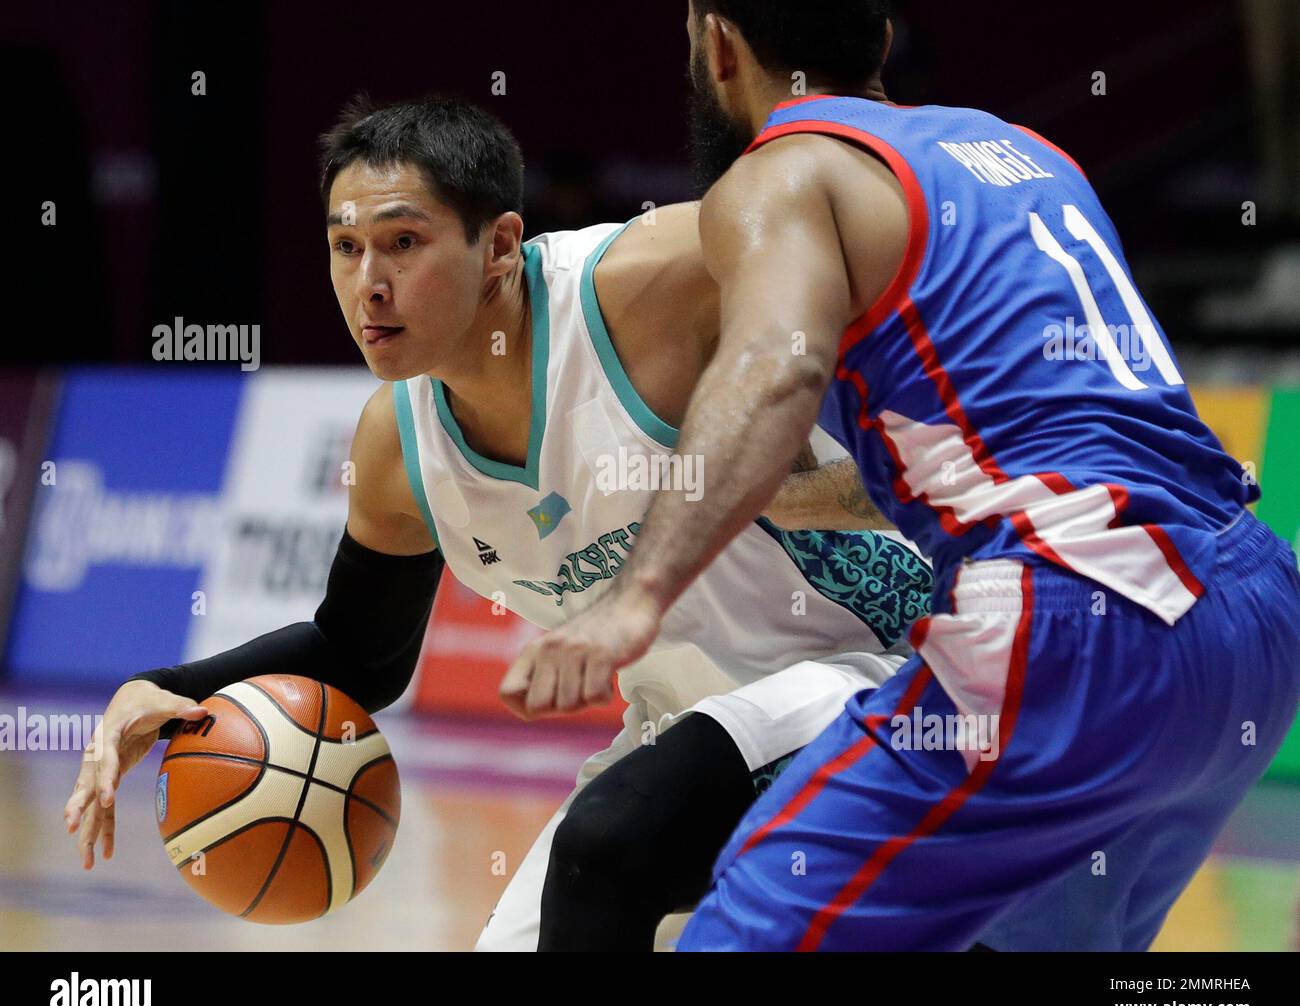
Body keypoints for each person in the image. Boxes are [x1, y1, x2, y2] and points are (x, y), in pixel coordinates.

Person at [503, 1, 1300, 950]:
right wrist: (809, 497)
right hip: (1251, 614)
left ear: (716, 45)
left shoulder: (784, 173)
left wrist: (637, 596)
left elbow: (778, 367)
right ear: (881, 41)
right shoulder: (1027, 151)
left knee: (747, 930)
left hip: (1075, 627)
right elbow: (1039, 428)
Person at [62, 94, 933, 951]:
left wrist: (785, 486)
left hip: (885, 668)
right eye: (345, 247)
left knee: (607, 845)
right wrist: (171, 687)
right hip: (685, 732)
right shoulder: (396, 446)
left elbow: (902, 296)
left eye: (404, 243)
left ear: (502, 246)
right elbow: (362, 655)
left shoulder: (649, 284)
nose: (370, 283)